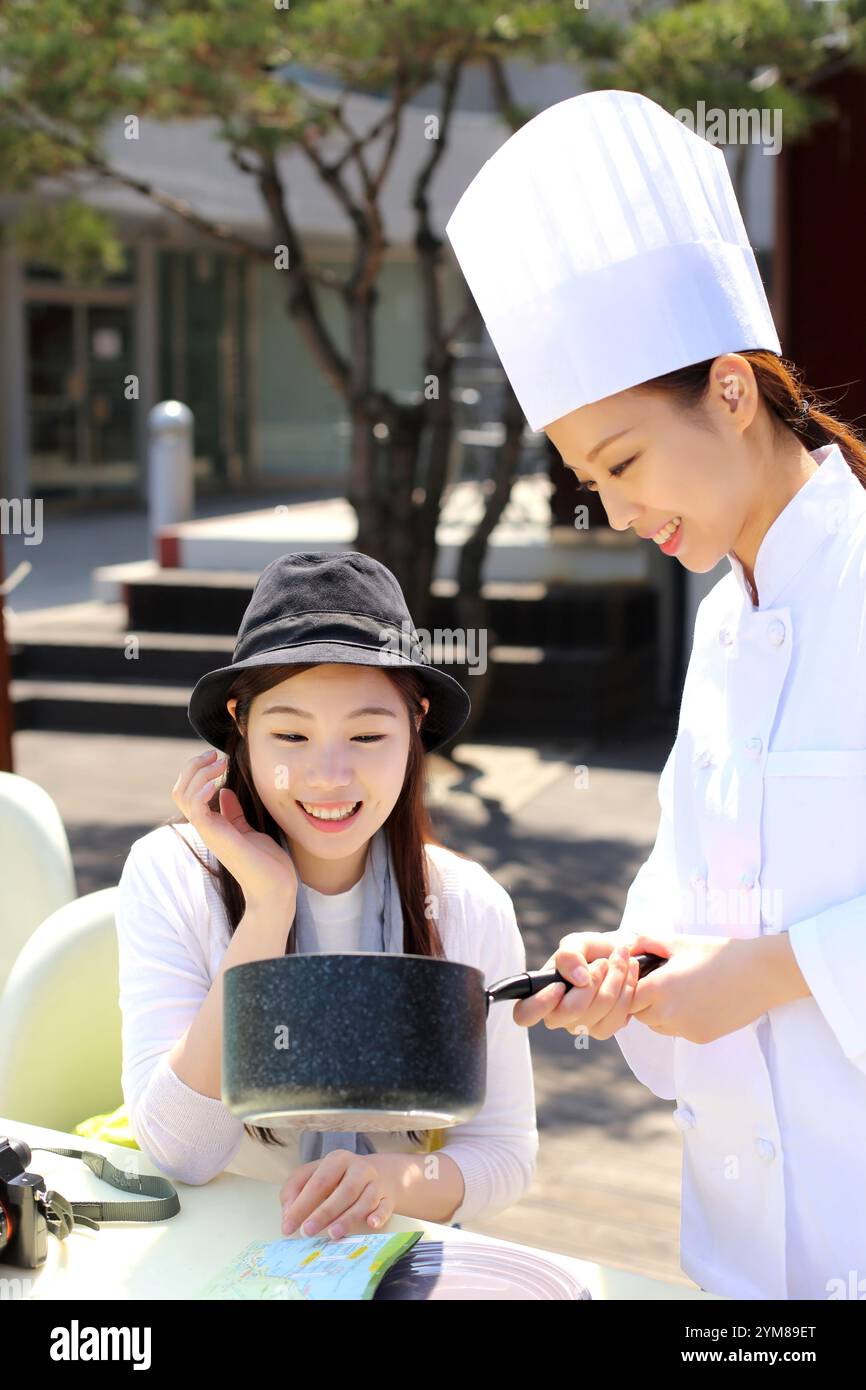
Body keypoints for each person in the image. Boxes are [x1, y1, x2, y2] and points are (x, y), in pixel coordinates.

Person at [446, 87, 866, 1300]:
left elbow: (772, 946)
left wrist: (774, 971)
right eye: (588, 481)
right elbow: (691, 882)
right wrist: (629, 960)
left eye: (622, 462)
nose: (619, 513)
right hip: (735, 1262)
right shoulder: (722, 622)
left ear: (730, 389)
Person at [115, 550, 538, 1240]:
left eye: (368, 734)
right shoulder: (168, 873)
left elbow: (506, 1149)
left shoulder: (466, 903)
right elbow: (181, 1152)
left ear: (416, 726)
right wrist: (268, 908)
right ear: (240, 727)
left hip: (391, 1251)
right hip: (211, 1257)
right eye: (290, 734)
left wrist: (387, 1185)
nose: (330, 776)